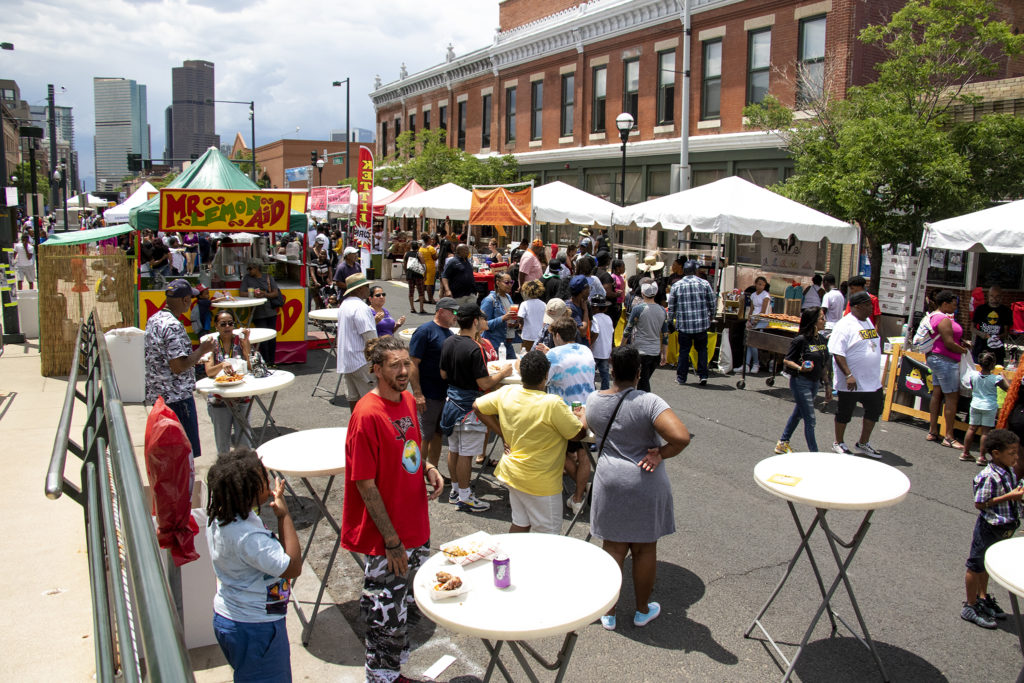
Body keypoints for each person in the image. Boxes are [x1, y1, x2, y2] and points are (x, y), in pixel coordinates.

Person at [341, 336, 444, 683]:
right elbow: (365, 485)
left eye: (406, 363)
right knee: (383, 613)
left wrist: (428, 467)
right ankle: (382, 677)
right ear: (376, 369)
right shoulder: (366, 415)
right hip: (389, 539)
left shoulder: (407, 402)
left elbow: (410, 446)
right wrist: (391, 541)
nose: (403, 371)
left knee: (406, 608)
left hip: (416, 526)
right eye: (394, 365)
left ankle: (395, 666)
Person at [588, 346, 691, 631]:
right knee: (645, 550)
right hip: (645, 482)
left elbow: (584, 426)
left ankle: (608, 611)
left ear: (611, 370)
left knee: (613, 548)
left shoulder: (594, 400)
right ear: (638, 372)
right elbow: (681, 437)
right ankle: (642, 610)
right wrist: (660, 453)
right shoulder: (648, 401)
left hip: (609, 482)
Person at [206, 448, 302, 682]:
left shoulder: (224, 516)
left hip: (233, 618)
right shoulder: (248, 538)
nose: (268, 481)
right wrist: (284, 516)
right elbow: (292, 566)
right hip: (255, 628)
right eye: (262, 478)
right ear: (246, 490)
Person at [474, 350, 587, 534]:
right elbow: (577, 434)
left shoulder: (507, 392)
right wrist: (583, 417)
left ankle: (512, 561)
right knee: (548, 538)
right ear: (546, 376)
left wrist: (502, 433)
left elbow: (477, 406)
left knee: (520, 524)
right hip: (542, 482)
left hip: (513, 473)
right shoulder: (552, 403)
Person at [439, 302, 513, 512]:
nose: (484, 322)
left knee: (454, 449)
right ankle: (464, 496)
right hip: (467, 407)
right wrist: (503, 373)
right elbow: (484, 384)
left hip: (450, 402)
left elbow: (444, 374)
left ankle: (456, 489)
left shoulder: (448, 342)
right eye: (481, 318)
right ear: (474, 321)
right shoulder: (474, 348)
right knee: (466, 454)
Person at [145, 279, 215, 459]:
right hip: (176, 399)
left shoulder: (154, 319)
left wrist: (194, 359)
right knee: (183, 455)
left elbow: (165, 359)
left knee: (169, 455)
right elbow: (178, 366)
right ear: (185, 300)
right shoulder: (172, 325)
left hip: (159, 397)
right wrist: (202, 350)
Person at [961, 429, 1021, 629]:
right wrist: (1009, 497)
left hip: (1005, 525)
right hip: (989, 527)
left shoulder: (1009, 471)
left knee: (987, 564)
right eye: (1011, 453)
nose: (1016, 457)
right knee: (976, 564)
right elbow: (980, 503)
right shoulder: (989, 476)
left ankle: (983, 597)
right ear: (996, 453)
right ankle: (970, 606)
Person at [544, 316, 595, 514]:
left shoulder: (553, 355)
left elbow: (543, 380)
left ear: (557, 335)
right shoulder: (586, 350)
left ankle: (581, 493)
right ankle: (579, 497)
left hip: (563, 411)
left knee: (560, 452)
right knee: (583, 453)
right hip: (588, 408)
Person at [828, 291, 884, 457]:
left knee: (874, 410)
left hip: (872, 380)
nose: (871, 309)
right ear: (857, 306)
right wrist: (848, 375)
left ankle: (863, 442)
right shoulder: (844, 325)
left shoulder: (867, 321)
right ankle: (838, 442)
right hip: (852, 380)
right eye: (868, 305)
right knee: (845, 412)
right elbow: (837, 352)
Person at [775, 308, 831, 454]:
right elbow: (787, 360)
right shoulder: (800, 340)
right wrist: (800, 368)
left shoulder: (822, 339)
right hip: (801, 382)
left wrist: (827, 385)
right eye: (821, 318)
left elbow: (824, 364)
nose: (824, 321)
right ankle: (814, 454)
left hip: (815, 383)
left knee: (799, 413)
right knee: (810, 419)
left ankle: (782, 443)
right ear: (813, 321)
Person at [410, 299, 458, 469]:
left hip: (444, 394)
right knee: (424, 436)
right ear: (440, 311)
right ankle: (416, 477)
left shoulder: (450, 334)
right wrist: (418, 393)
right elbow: (413, 363)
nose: (455, 315)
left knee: (438, 433)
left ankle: (433, 471)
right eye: (452, 311)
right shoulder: (424, 331)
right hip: (428, 394)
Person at [924, 290, 971, 450]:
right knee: (951, 397)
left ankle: (933, 430)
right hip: (945, 360)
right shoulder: (942, 319)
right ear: (945, 303)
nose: (956, 307)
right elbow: (949, 343)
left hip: (937, 359)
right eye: (954, 304)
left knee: (937, 394)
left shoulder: (935, 316)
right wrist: (964, 350)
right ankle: (949, 437)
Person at [203, 311, 253, 455]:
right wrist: (222, 365)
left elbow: (249, 366)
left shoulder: (240, 340)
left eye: (231, 323)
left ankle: (244, 474)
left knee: (244, 443)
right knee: (222, 444)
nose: (227, 327)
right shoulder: (211, 344)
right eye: (223, 324)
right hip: (219, 398)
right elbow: (209, 372)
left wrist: (246, 345)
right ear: (216, 326)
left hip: (241, 396)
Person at [668, 260, 717, 386]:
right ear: (695, 271)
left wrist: (670, 320)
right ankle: (703, 375)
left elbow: (672, 306)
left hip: (684, 325)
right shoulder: (704, 283)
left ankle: (681, 378)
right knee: (702, 350)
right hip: (701, 325)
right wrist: (712, 316)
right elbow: (712, 303)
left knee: (684, 351)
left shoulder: (677, 285)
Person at [336, 273, 378, 409]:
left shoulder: (345, 304)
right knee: (371, 401)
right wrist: (378, 362)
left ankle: (356, 428)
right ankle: (369, 429)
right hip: (361, 361)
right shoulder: (361, 307)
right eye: (366, 286)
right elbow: (371, 338)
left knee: (353, 399)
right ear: (360, 289)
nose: (368, 289)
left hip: (347, 360)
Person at [961, 352, 1010, 465]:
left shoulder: (973, 375)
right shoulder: (996, 378)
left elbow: (973, 387)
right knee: (985, 432)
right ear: (993, 364)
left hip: (975, 404)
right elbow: (1008, 389)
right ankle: (982, 457)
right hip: (989, 406)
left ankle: (965, 453)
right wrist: (1005, 378)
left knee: (972, 428)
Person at [623, 281, 668, 393]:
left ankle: (644, 404)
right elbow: (665, 335)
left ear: (642, 293)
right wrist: (664, 353)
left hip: (641, 351)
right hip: (655, 353)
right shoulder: (662, 310)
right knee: (644, 379)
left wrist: (620, 347)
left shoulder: (638, 309)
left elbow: (627, 330)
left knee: (642, 381)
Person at [240, 260, 281, 365]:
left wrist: (264, 294)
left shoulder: (267, 277)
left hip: (270, 311)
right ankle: (266, 362)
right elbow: (242, 292)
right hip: (258, 313)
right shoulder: (247, 278)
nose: (248, 271)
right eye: (247, 268)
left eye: (250, 268)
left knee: (271, 338)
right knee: (263, 340)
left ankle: (272, 361)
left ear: (257, 268)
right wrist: (253, 293)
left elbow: (275, 293)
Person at [481, 273, 519, 359]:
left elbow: (510, 320)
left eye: (511, 282)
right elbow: (483, 325)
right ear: (497, 283)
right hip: (495, 344)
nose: (510, 285)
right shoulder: (489, 300)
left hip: (508, 343)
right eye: (506, 282)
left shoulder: (508, 297)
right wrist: (503, 318)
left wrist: (515, 323)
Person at [972, 286, 1012, 366]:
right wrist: (981, 334)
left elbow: (1006, 332)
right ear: (988, 295)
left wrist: (999, 336)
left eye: (997, 296)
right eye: (992, 296)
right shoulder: (981, 309)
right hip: (980, 348)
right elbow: (972, 328)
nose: (994, 298)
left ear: (1001, 297)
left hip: (997, 350)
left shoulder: (1006, 311)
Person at [745, 276, 772, 373]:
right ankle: (747, 364)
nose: (760, 286)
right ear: (755, 284)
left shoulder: (766, 296)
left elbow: (763, 311)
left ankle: (756, 363)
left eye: (762, 285)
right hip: (753, 319)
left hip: (761, 321)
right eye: (759, 284)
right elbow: (751, 309)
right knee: (749, 342)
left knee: (753, 342)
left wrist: (756, 320)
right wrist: (749, 320)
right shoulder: (753, 295)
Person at [591, 296, 614, 390]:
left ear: (595, 307)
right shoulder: (608, 318)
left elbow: (595, 332)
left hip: (596, 351)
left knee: (591, 374)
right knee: (605, 374)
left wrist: (590, 344)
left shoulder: (594, 318)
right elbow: (611, 333)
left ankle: (592, 390)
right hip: (606, 351)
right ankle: (605, 390)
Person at [518, 279, 546, 352]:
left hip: (528, 336)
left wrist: (521, 324)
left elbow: (520, 317)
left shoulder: (524, 304)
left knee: (525, 356)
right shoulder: (543, 304)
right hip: (540, 336)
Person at [404, 241, 427, 314]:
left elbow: (405, 264)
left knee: (411, 291)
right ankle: (421, 308)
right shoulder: (419, 254)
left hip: (410, 274)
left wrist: (406, 273)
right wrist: (425, 275)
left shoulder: (406, 254)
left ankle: (412, 308)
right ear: (418, 247)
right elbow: (424, 265)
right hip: (418, 275)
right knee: (420, 291)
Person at [420, 236, 439, 304]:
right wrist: (437, 252)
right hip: (430, 266)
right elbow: (435, 258)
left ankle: (423, 298)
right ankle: (430, 298)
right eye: (430, 239)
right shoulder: (431, 248)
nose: (431, 241)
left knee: (423, 283)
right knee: (429, 284)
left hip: (422, 266)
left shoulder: (421, 248)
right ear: (428, 240)